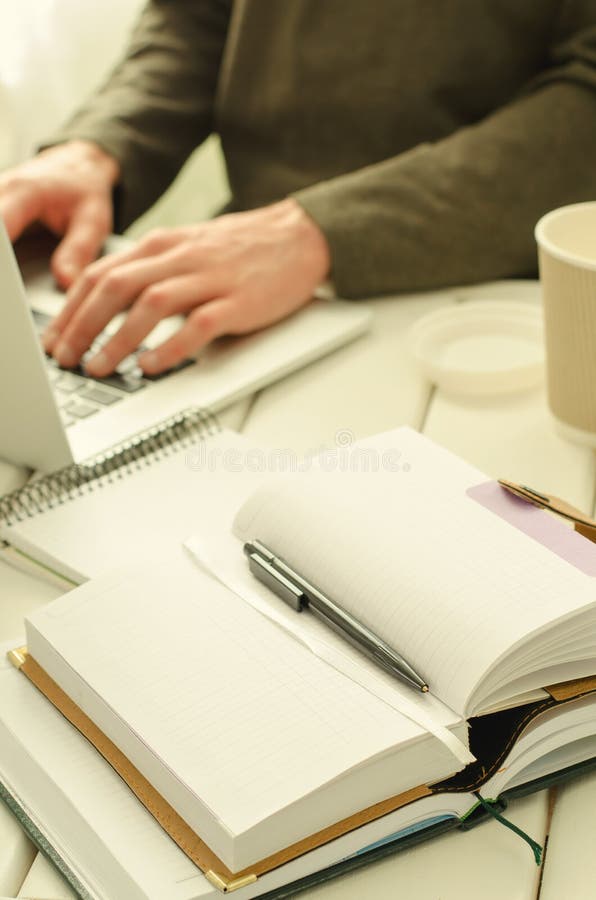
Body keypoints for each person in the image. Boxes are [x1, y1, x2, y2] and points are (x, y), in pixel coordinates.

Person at [1, 1, 596, 377]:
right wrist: (100, 145)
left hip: (484, 325)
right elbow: (199, 17)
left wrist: (326, 232)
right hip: (231, 289)